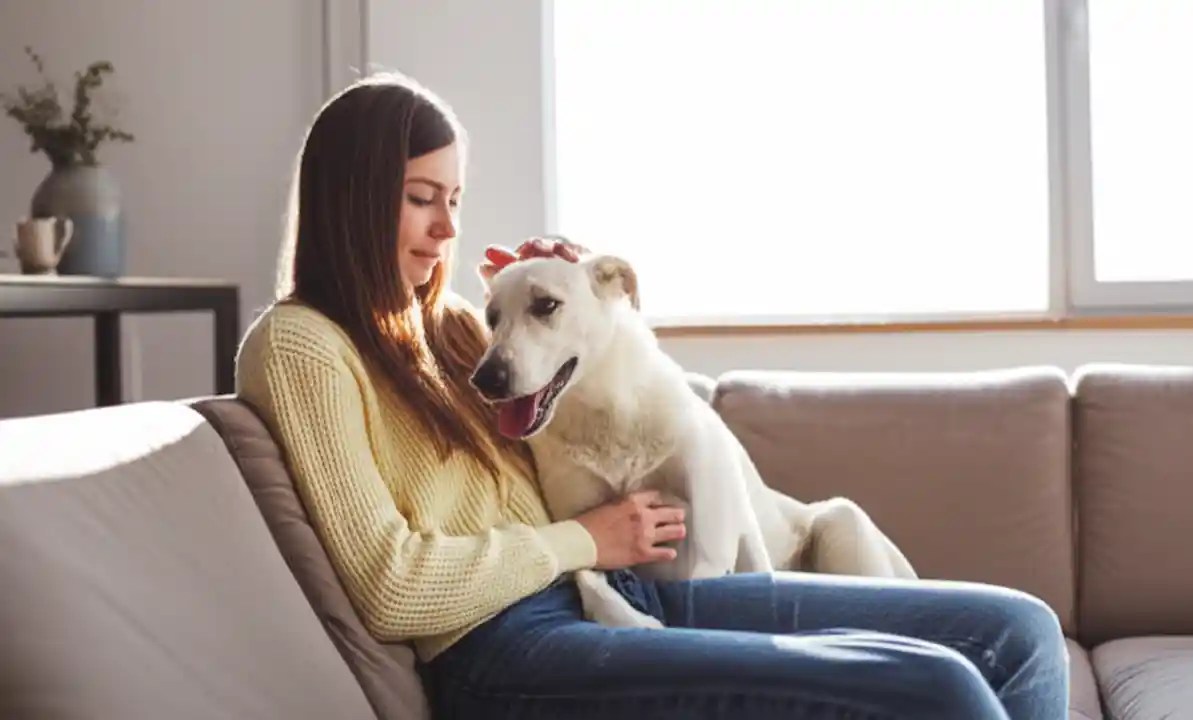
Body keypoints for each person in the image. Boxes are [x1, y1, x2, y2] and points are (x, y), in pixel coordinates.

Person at [235, 72, 1068, 720]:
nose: (448, 230)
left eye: (454, 200)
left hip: (618, 591)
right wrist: (580, 542)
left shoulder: (452, 330)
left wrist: (564, 286)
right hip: (513, 648)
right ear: (351, 198)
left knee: (1022, 634)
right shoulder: (301, 346)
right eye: (421, 200)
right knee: (937, 691)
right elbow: (389, 586)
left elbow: (586, 362)